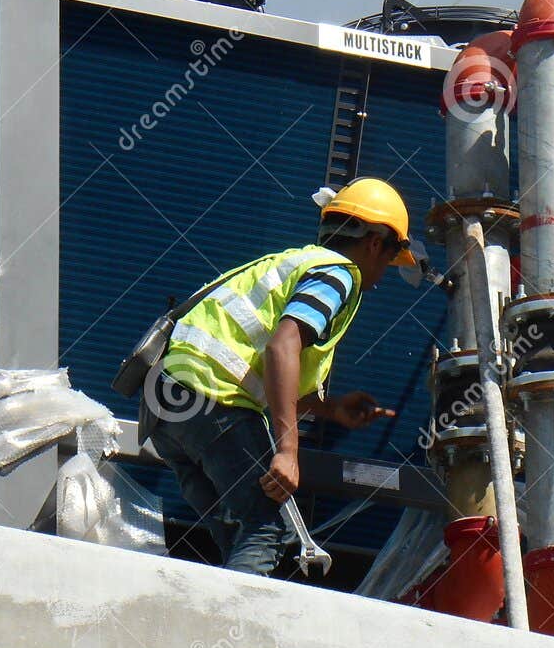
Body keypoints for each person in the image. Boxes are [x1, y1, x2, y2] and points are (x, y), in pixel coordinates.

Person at [143, 179, 413, 575]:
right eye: (390, 258)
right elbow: (281, 347)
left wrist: (331, 409)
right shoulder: (339, 275)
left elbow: (254, 365)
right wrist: (288, 452)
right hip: (211, 399)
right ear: (375, 243)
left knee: (236, 534)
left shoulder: (292, 262)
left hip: (166, 403)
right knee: (267, 530)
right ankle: (234, 626)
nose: (385, 272)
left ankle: (210, 618)